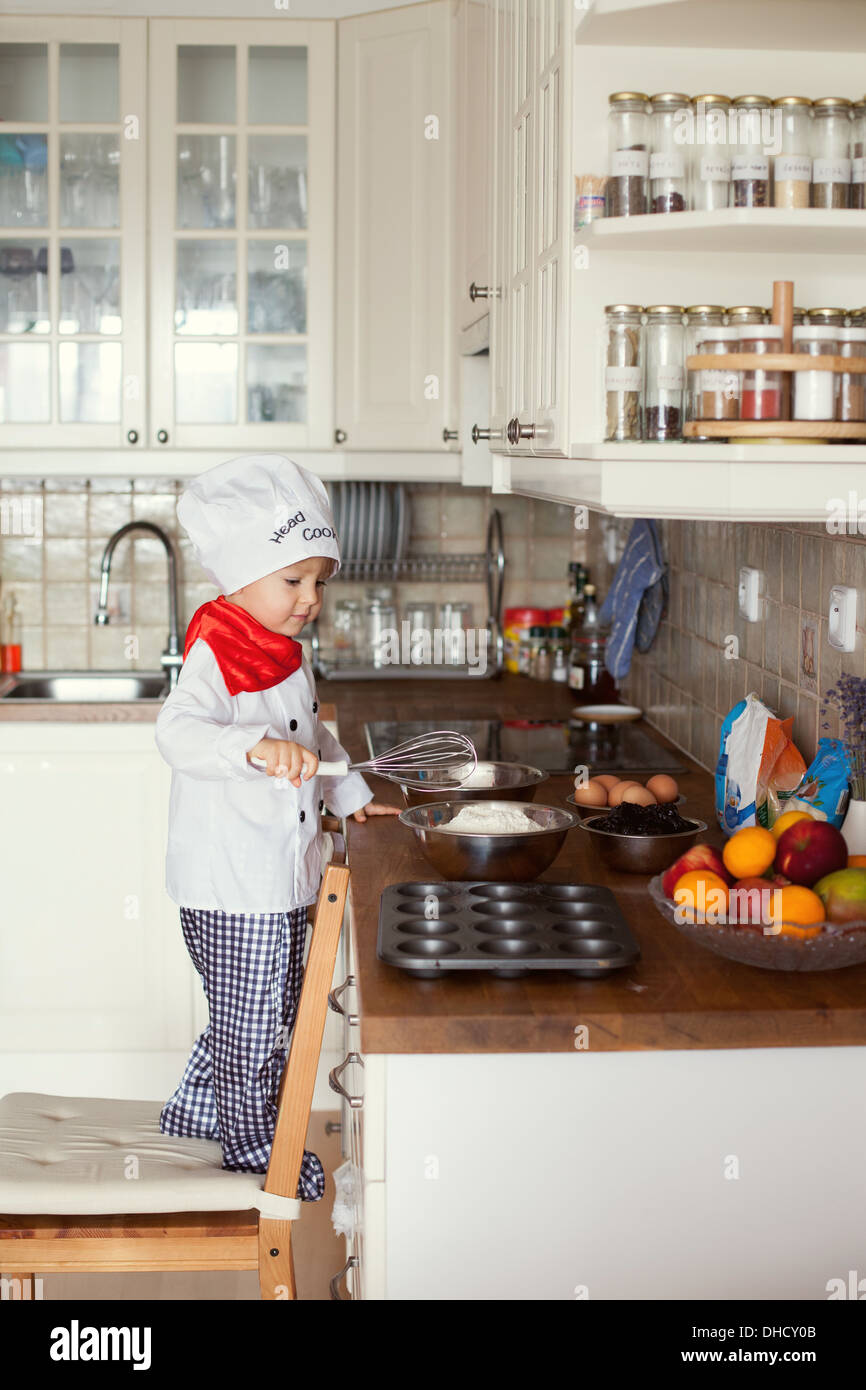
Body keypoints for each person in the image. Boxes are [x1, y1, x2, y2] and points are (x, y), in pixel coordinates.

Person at [154, 453, 400, 1199]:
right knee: (258, 1029)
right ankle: (255, 1151)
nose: (310, 598)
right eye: (293, 581)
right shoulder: (215, 651)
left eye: (319, 582)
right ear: (240, 574)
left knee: (263, 1013)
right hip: (234, 882)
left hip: (280, 874)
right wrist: (252, 748)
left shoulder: (285, 654)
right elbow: (177, 733)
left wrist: (353, 796)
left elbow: (316, 736)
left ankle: (197, 1112)